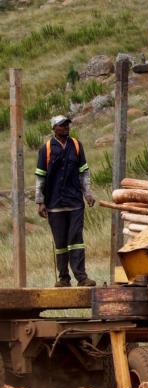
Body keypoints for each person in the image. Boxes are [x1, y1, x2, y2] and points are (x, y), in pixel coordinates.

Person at [34, 115, 97, 287]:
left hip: (75, 202)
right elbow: (40, 177)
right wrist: (40, 201)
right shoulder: (45, 149)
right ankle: (63, 278)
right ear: (54, 128)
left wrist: (88, 193)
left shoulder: (76, 146)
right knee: (60, 243)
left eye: (67, 124)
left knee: (76, 239)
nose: (66, 127)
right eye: (62, 125)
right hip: (54, 204)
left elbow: (84, 173)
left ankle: (82, 278)